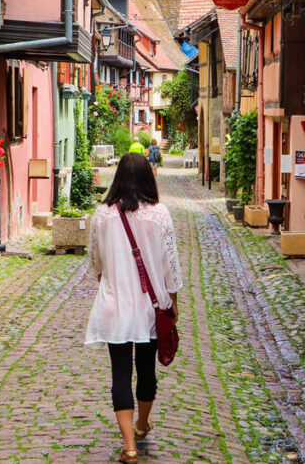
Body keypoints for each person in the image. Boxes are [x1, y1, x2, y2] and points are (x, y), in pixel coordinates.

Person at [85, 153, 182, 463]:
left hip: (114, 305)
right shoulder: (160, 214)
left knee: (120, 373)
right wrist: (173, 300)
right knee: (146, 369)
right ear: (147, 178)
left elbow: (95, 261)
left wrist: (110, 279)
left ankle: (128, 446)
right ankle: (141, 424)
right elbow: (170, 264)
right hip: (150, 307)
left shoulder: (102, 215)